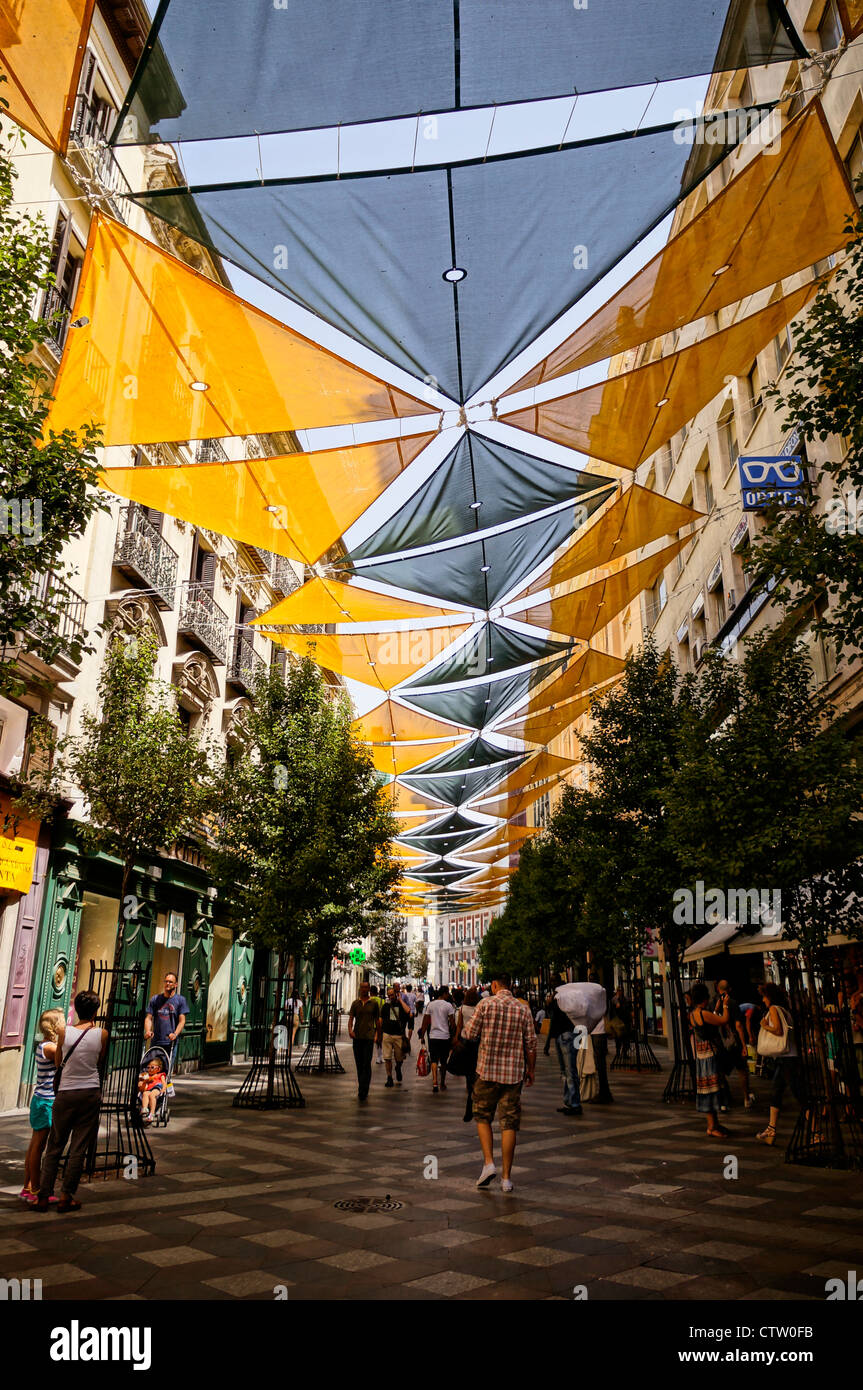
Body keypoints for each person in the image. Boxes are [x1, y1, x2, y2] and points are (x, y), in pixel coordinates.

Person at [461, 971, 536, 1192]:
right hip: (513, 1075)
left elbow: (469, 1033)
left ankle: (488, 1163)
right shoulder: (523, 1008)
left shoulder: (485, 1005)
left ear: (494, 985)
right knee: (509, 1123)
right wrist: (531, 1070)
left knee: (482, 1116)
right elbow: (531, 1044)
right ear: (510, 985)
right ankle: (506, 1178)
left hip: (486, 1072)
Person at [35, 990, 108, 1212]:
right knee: (79, 1146)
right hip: (90, 1092)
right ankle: (66, 1196)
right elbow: (100, 1061)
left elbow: (58, 1062)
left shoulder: (63, 1032)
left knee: (55, 1144)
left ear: (76, 1009)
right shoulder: (102, 1034)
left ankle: (43, 1197)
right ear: (95, 1011)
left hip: (66, 1092)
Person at [21, 1009, 64, 1204]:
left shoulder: (43, 1045)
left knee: (34, 1144)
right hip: (46, 1101)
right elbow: (63, 1060)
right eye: (62, 1022)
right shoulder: (51, 1048)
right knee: (39, 1146)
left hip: (40, 1099)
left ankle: (27, 1187)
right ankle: (36, 1190)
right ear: (55, 1027)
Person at [755, 982, 804, 1146]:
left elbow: (778, 1030)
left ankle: (816, 1129)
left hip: (787, 1058)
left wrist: (764, 1026)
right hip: (788, 1057)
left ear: (770, 996)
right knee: (776, 1090)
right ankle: (771, 1129)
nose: (763, 1000)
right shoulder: (785, 1011)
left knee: (798, 1093)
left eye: (764, 996)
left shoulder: (774, 1009)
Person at [688, 981, 731, 1139]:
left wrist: (717, 1008)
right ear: (704, 998)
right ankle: (712, 1127)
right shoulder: (703, 1013)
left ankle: (714, 1124)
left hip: (700, 1055)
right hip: (709, 1054)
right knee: (713, 1089)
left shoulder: (693, 1014)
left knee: (706, 1089)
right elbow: (723, 1020)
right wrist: (725, 1005)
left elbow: (711, 1018)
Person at [710, 979, 754, 1110]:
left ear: (718, 989)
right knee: (742, 1071)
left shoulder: (713, 1003)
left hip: (720, 1043)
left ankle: (724, 1101)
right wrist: (744, 1045)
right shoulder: (733, 1003)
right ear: (729, 989)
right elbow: (739, 1025)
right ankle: (746, 1098)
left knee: (721, 1072)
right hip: (734, 1043)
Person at [348, 980, 380, 1102]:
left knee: (366, 1064)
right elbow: (351, 1018)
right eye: (362, 987)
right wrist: (350, 1030)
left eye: (366, 987)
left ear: (369, 989)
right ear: (360, 988)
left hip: (369, 1038)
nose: (364, 989)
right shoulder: (355, 1003)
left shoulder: (373, 1004)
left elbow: (377, 1021)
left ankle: (363, 1089)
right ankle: (362, 1087)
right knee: (359, 1064)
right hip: (357, 1037)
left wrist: (377, 1034)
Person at [419, 986, 455, 1093]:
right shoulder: (448, 1005)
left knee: (434, 1059)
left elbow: (425, 1021)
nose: (448, 995)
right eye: (447, 993)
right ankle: (442, 1082)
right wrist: (454, 1035)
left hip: (433, 1036)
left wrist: (422, 1035)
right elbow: (452, 1023)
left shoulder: (431, 1004)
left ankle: (434, 1082)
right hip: (445, 1037)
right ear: (444, 993)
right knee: (443, 1061)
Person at [144, 972, 189, 1055]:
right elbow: (148, 1018)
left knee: (167, 1067)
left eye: (170, 982)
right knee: (154, 1067)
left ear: (176, 985)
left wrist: (175, 1034)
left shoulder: (181, 1000)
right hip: (156, 1041)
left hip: (170, 1042)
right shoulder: (155, 999)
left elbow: (182, 1021)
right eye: (166, 981)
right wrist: (147, 1031)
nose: (167, 983)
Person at [456, 986, 480, 1122]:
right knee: (476, 1065)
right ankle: (474, 1086)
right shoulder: (479, 1008)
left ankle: (469, 1084)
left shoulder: (462, 1009)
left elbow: (459, 1025)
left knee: (468, 1066)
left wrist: (456, 1038)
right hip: (477, 1041)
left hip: (465, 1041)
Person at [380, 983, 411, 1087]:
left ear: (396, 994)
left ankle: (398, 1068)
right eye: (388, 996)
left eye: (392, 995)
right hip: (387, 1034)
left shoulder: (401, 1005)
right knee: (387, 1058)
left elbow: (408, 1011)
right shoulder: (385, 1006)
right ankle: (389, 1077)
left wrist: (400, 1000)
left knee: (399, 1058)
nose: (390, 997)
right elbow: (381, 1020)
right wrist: (379, 1034)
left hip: (398, 1035)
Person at [138, 1058, 167, 1124]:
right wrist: (142, 1082)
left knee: (152, 1095)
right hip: (149, 1088)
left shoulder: (160, 1075)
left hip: (157, 1087)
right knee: (145, 1093)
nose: (150, 1069)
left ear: (158, 1069)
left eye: (152, 1067)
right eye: (148, 1067)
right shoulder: (146, 1075)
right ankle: (144, 1108)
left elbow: (164, 1083)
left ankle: (152, 1113)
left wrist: (163, 1089)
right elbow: (141, 1083)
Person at [400, 981, 417, 1053]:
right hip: (412, 1012)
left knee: (403, 1026)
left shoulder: (404, 995)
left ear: (406, 989)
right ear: (411, 989)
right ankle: (409, 1040)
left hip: (405, 1012)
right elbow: (415, 1003)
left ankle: (404, 1039)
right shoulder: (414, 995)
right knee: (411, 1027)